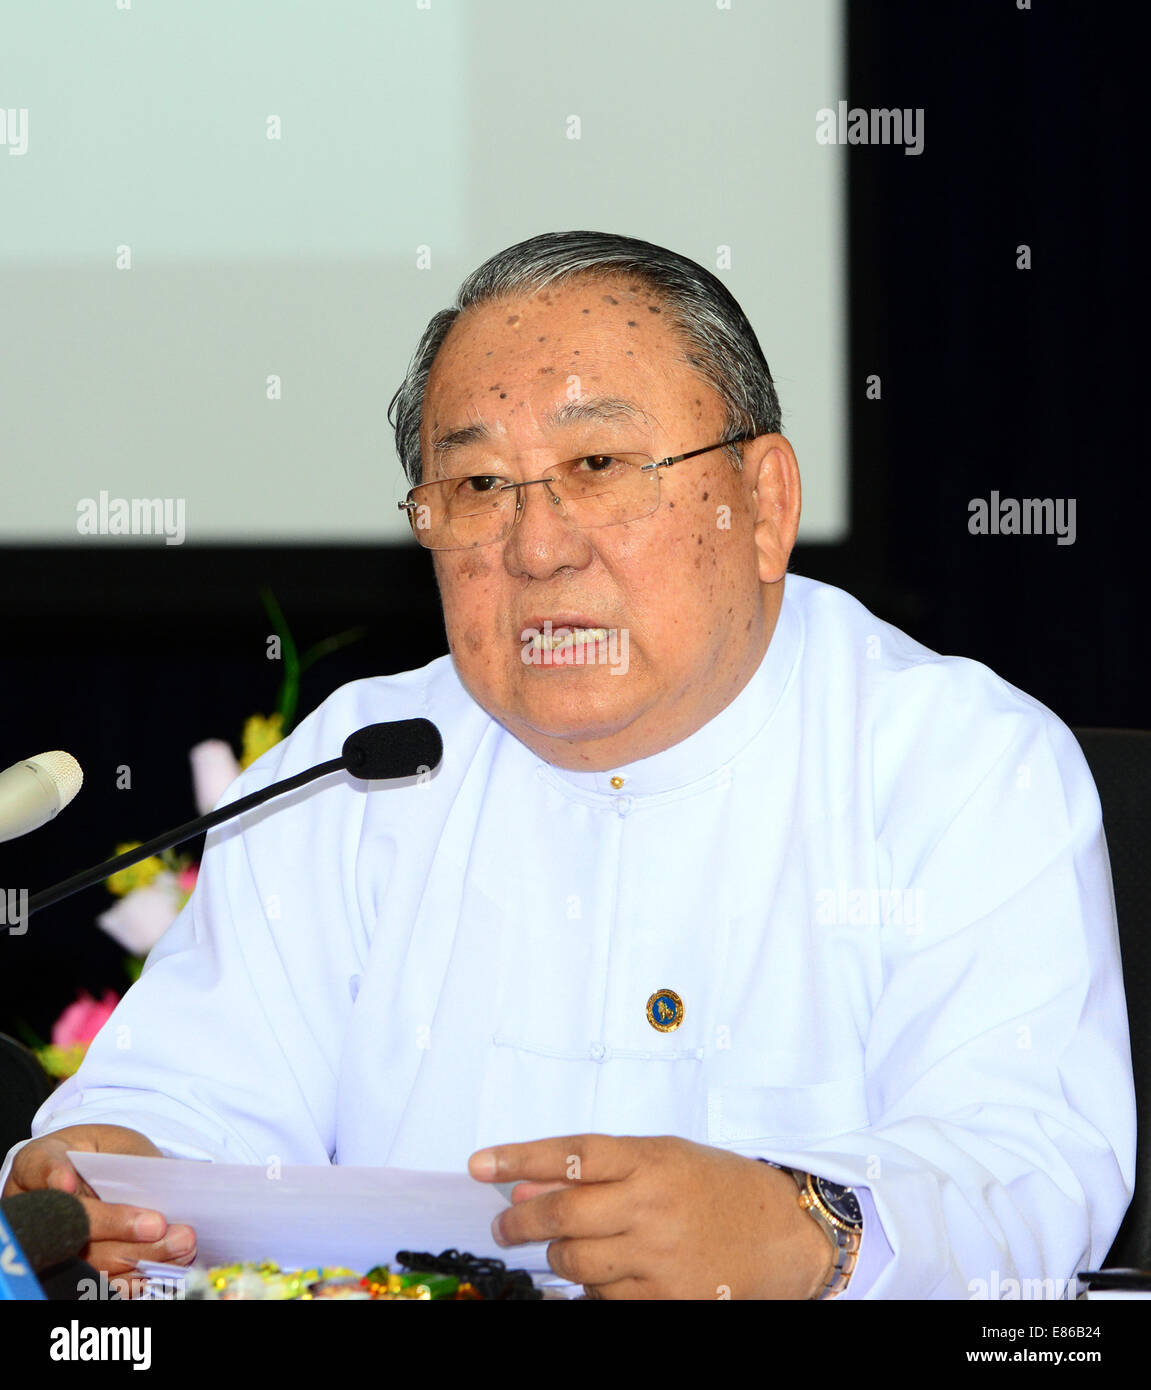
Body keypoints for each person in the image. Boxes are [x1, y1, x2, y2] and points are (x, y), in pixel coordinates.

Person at [1, 231, 1135, 1300]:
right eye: (480, 487)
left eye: (598, 462)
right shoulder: (353, 772)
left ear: (763, 503)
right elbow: (189, 1103)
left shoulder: (956, 763)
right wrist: (116, 1172)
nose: (536, 548)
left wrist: (806, 1230)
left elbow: (1027, 1164)